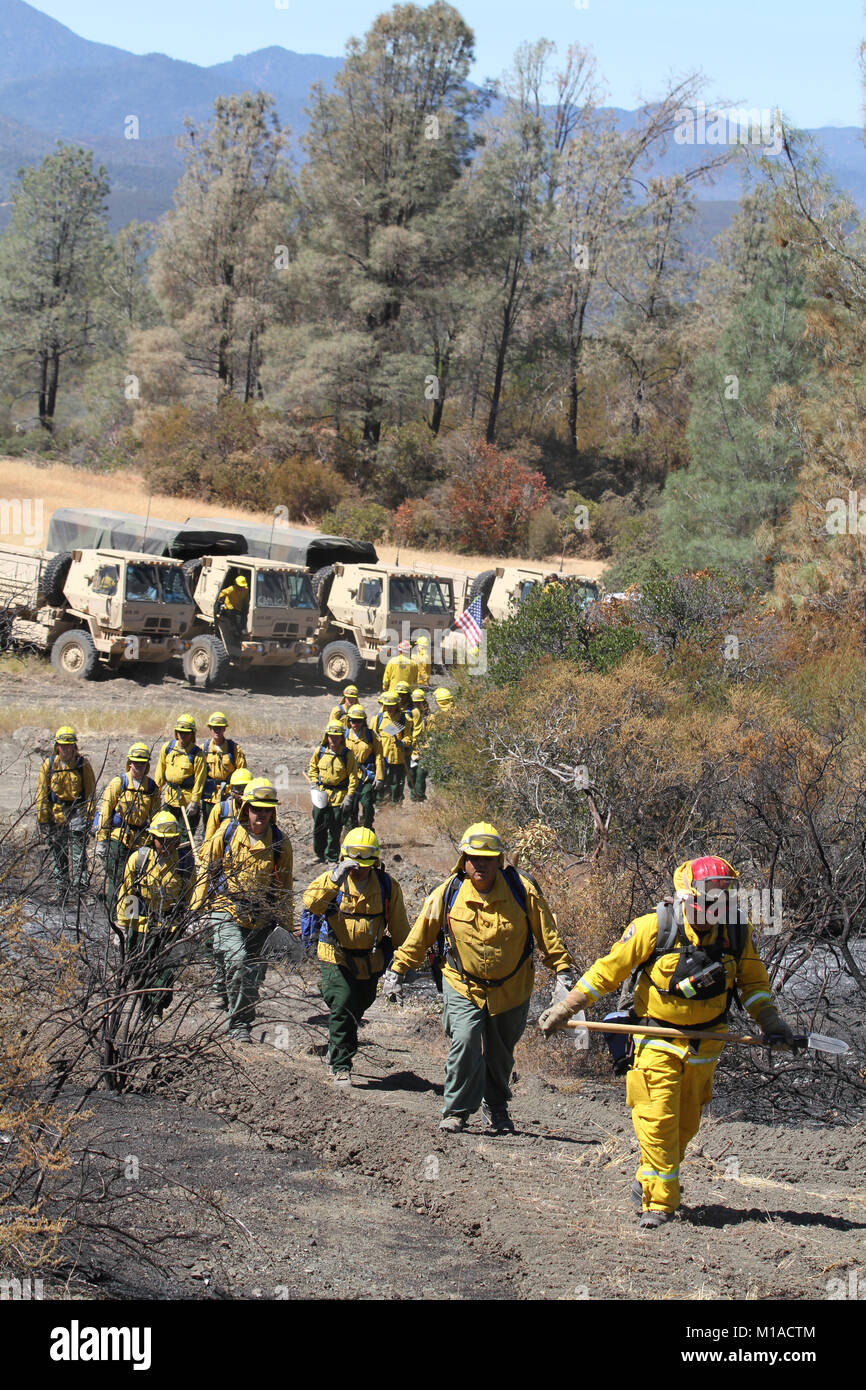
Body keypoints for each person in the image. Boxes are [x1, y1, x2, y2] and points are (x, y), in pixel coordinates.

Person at [538, 855, 796, 1230]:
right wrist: (567, 1008)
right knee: (657, 1120)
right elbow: (606, 973)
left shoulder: (737, 932)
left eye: (722, 903)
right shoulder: (653, 927)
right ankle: (659, 1205)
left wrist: (772, 1023)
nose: (715, 911)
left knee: (685, 1125)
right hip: (655, 1037)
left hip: (706, 1043)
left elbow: (753, 985)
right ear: (687, 899)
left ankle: (649, 1178)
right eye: (708, 903)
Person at [382, 822, 576, 1133]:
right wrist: (397, 970)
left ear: (500, 860)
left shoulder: (522, 891)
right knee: (466, 1040)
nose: (481, 864)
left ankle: (496, 1108)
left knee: (500, 1055)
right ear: (464, 861)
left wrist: (563, 973)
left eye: (488, 858)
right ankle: (456, 1111)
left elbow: (548, 935)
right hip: (463, 986)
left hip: (511, 990)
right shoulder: (448, 893)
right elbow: (420, 936)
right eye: (474, 858)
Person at [303, 828, 410, 1085]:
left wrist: (401, 966)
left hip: (370, 960)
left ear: (375, 861)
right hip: (335, 955)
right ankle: (341, 1065)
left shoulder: (387, 887)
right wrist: (333, 881)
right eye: (354, 864)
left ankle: (337, 1047)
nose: (359, 870)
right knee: (342, 1002)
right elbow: (311, 904)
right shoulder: (332, 880)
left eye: (365, 864)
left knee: (359, 1004)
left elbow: (400, 931)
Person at [192, 778, 293, 1042]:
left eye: (266, 809)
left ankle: (241, 1016)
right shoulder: (226, 833)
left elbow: (284, 886)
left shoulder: (280, 843)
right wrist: (195, 912)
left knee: (252, 974)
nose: (260, 814)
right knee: (237, 961)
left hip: (261, 916)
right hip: (226, 909)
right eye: (256, 808)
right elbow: (205, 871)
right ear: (245, 807)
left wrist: (286, 927)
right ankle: (239, 1027)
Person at [115, 810, 190, 1020]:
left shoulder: (184, 863)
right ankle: (147, 1008)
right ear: (153, 839)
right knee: (136, 968)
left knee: (164, 969)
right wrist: (123, 925)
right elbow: (128, 892)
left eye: (171, 841)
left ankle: (158, 1002)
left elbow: (192, 893)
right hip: (141, 925)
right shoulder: (139, 861)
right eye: (161, 841)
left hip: (170, 927)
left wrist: (192, 918)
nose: (165, 847)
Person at [94, 742, 161, 917]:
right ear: (129, 763)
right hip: (118, 839)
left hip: (140, 841)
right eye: (136, 762)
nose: (139, 766)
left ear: (147, 764)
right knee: (117, 879)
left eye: (143, 762)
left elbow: (155, 818)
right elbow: (105, 812)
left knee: (134, 883)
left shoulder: (152, 788)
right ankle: (112, 918)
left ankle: (129, 919)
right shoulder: (118, 783)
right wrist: (101, 840)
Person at [36, 726, 96, 896]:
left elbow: (90, 792)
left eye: (70, 745)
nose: (67, 748)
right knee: (59, 853)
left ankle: (80, 891)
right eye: (63, 745)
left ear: (74, 746)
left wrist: (89, 816)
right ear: (57, 746)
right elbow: (41, 793)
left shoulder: (82, 764)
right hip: (56, 815)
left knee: (78, 855)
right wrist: (43, 819)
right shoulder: (49, 765)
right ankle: (61, 889)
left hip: (77, 813)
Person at [154, 714, 206, 875]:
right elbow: (159, 772)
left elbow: (200, 780)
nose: (183, 736)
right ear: (176, 733)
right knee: (163, 834)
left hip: (187, 804)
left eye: (186, 733)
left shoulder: (197, 754)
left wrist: (195, 802)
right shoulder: (168, 748)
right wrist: (155, 793)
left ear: (192, 734)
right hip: (169, 801)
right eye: (180, 732)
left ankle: (183, 872)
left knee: (184, 840)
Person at [307, 722, 359, 863]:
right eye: (331, 736)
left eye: (337, 737)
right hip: (321, 795)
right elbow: (312, 769)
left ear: (342, 738)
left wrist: (349, 797)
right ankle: (319, 854)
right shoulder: (320, 751)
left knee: (335, 829)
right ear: (327, 736)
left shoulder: (347, 755)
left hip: (339, 797)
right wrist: (313, 784)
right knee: (318, 826)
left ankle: (332, 857)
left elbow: (353, 778)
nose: (334, 740)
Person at [201, 711, 246, 834]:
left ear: (224, 729)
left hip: (228, 796)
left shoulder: (234, 749)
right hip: (209, 797)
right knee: (208, 829)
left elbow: (243, 774)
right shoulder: (203, 749)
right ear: (210, 728)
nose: (217, 731)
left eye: (220, 728)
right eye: (214, 728)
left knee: (228, 828)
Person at [345, 705, 384, 829]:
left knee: (367, 803)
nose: (355, 724)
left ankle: (367, 828)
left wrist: (380, 777)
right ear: (348, 720)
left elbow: (379, 756)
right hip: (350, 777)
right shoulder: (344, 736)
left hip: (367, 776)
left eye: (358, 721)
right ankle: (351, 830)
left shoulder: (370, 735)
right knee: (352, 806)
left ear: (363, 721)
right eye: (353, 720)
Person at [374, 693, 413, 805]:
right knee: (382, 782)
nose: (389, 708)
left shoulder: (403, 719)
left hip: (397, 757)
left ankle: (395, 804)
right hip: (383, 757)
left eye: (392, 705)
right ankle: (380, 805)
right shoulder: (378, 718)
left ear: (397, 705)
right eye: (387, 706)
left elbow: (408, 737)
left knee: (396, 783)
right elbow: (373, 737)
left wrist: (403, 743)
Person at [203, 767, 253, 842]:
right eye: (238, 789)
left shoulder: (258, 811)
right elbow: (208, 839)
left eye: (246, 789)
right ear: (231, 790)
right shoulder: (220, 809)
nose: (242, 793)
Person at [408, 688, 431, 802]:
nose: (417, 704)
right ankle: (414, 795)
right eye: (415, 702)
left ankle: (419, 797)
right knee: (411, 774)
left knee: (421, 773)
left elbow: (432, 732)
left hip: (425, 749)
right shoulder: (409, 714)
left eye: (419, 702)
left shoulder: (429, 716)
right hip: (411, 749)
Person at [216, 573, 249, 646]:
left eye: (242, 586)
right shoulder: (231, 589)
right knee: (234, 619)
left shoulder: (245, 590)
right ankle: (234, 633)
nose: (241, 588)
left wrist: (246, 606)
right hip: (229, 608)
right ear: (236, 585)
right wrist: (220, 599)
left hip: (238, 608)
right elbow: (222, 592)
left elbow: (246, 599)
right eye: (240, 586)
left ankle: (238, 634)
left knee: (240, 621)